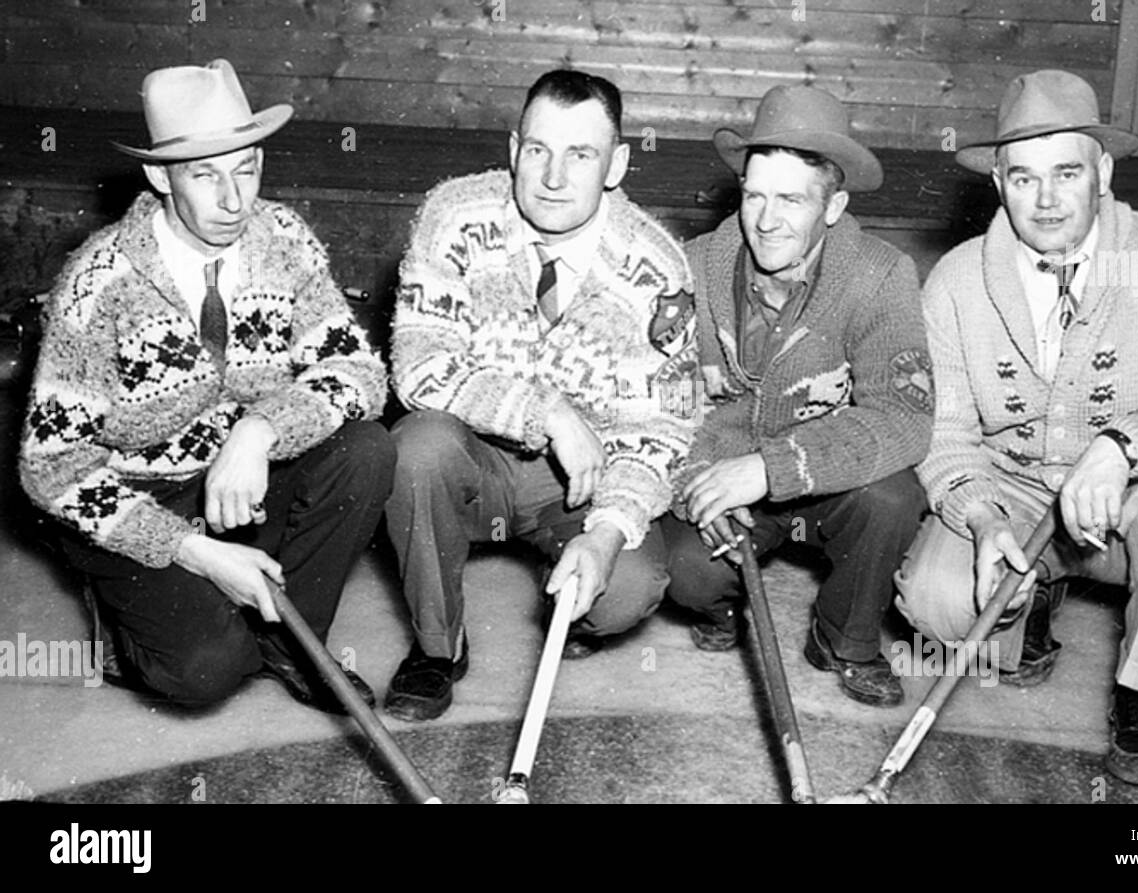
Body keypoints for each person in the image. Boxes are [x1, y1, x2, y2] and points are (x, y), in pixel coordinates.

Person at [894, 70, 1138, 785]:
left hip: (1130, 496)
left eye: (1067, 172)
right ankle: (1028, 610)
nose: (1047, 199)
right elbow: (945, 431)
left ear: (1104, 171)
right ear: (998, 182)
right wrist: (982, 518)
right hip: (1016, 495)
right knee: (936, 604)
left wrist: (1125, 447)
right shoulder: (957, 280)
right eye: (1024, 178)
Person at [19, 59, 393, 712]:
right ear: (159, 175)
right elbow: (49, 465)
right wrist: (193, 552)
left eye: (247, 168)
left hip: (234, 474)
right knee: (205, 673)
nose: (234, 200)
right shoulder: (98, 285)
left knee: (366, 448)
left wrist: (259, 430)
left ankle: (291, 645)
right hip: (132, 493)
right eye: (205, 174)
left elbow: (360, 372)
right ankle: (126, 624)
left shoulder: (282, 239)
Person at [384, 69, 696, 722]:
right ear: (512, 150)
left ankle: (573, 608)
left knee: (627, 587)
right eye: (537, 150)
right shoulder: (453, 215)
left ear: (617, 165)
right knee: (416, 450)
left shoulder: (656, 266)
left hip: (582, 481)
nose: (553, 178)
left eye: (580, 154)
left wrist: (608, 532)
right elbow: (418, 368)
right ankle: (438, 646)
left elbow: (662, 431)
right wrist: (546, 410)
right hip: (478, 458)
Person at [664, 86, 933, 707]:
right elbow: (660, 404)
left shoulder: (882, 274)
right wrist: (699, 477)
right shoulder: (691, 266)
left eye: (791, 199)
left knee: (892, 498)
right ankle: (723, 611)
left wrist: (769, 470)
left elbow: (904, 418)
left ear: (834, 205)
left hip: (823, 485)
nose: (765, 220)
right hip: (723, 475)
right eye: (754, 195)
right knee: (687, 571)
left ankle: (845, 636)